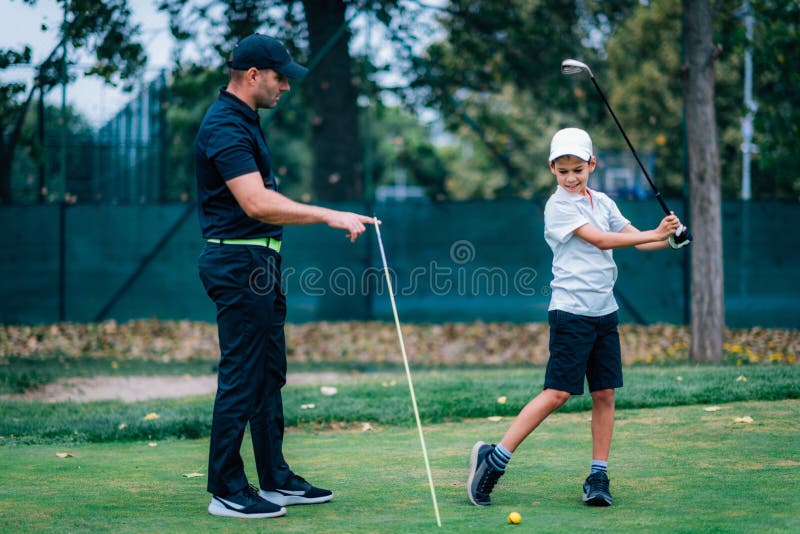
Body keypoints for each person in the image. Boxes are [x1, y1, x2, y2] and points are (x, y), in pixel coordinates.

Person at [195, 33, 376, 519]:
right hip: (239, 264)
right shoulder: (225, 126)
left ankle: (273, 477)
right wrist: (328, 215)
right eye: (280, 77)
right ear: (253, 75)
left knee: (268, 373)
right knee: (242, 373)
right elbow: (255, 203)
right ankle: (226, 488)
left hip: (260, 262)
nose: (286, 87)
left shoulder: (244, 121)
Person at [467, 127, 686, 508]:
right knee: (558, 393)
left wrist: (670, 237)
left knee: (604, 394)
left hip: (605, 313)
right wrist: (654, 232)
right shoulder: (559, 206)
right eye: (563, 170)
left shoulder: (601, 202)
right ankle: (494, 459)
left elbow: (639, 240)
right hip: (571, 312)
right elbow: (602, 240)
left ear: (592, 165)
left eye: (578, 169)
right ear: (552, 168)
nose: (571, 177)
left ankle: (598, 475)